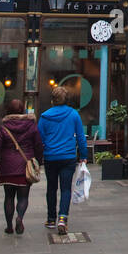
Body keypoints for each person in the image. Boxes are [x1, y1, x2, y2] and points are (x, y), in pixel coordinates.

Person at [0, 97, 43, 235]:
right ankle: (20, 217)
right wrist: (38, 162)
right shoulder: (31, 125)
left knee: (8, 197)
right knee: (23, 197)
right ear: (23, 110)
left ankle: (9, 226)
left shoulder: (4, 127)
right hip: (25, 166)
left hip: (7, 167)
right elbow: (38, 145)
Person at [38, 85, 87, 234]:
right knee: (66, 188)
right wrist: (84, 156)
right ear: (67, 100)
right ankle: (62, 218)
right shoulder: (73, 115)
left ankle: (51, 218)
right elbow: (80, 137)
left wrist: (40, 155)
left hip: (51, 156)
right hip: (68, 157)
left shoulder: (45, 116)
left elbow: (39, 138)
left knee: (51, 188)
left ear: (52, 100)